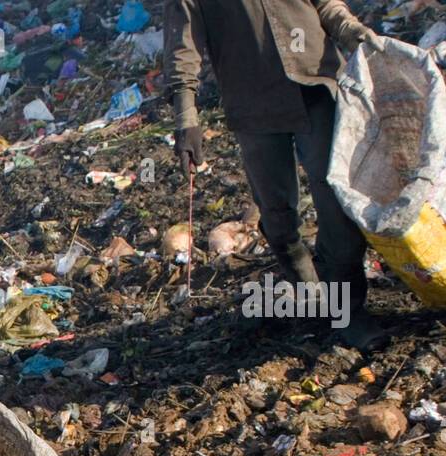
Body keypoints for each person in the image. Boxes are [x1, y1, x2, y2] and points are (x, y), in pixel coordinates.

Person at [164, 0, 387, 351]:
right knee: (277, 210)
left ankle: (348, 310)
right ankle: (309, 292)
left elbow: (326, 5)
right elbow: (184, 43)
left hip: (316, 84)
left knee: (337, 196)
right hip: (253, 104)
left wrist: (353, 32)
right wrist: (186, 118)